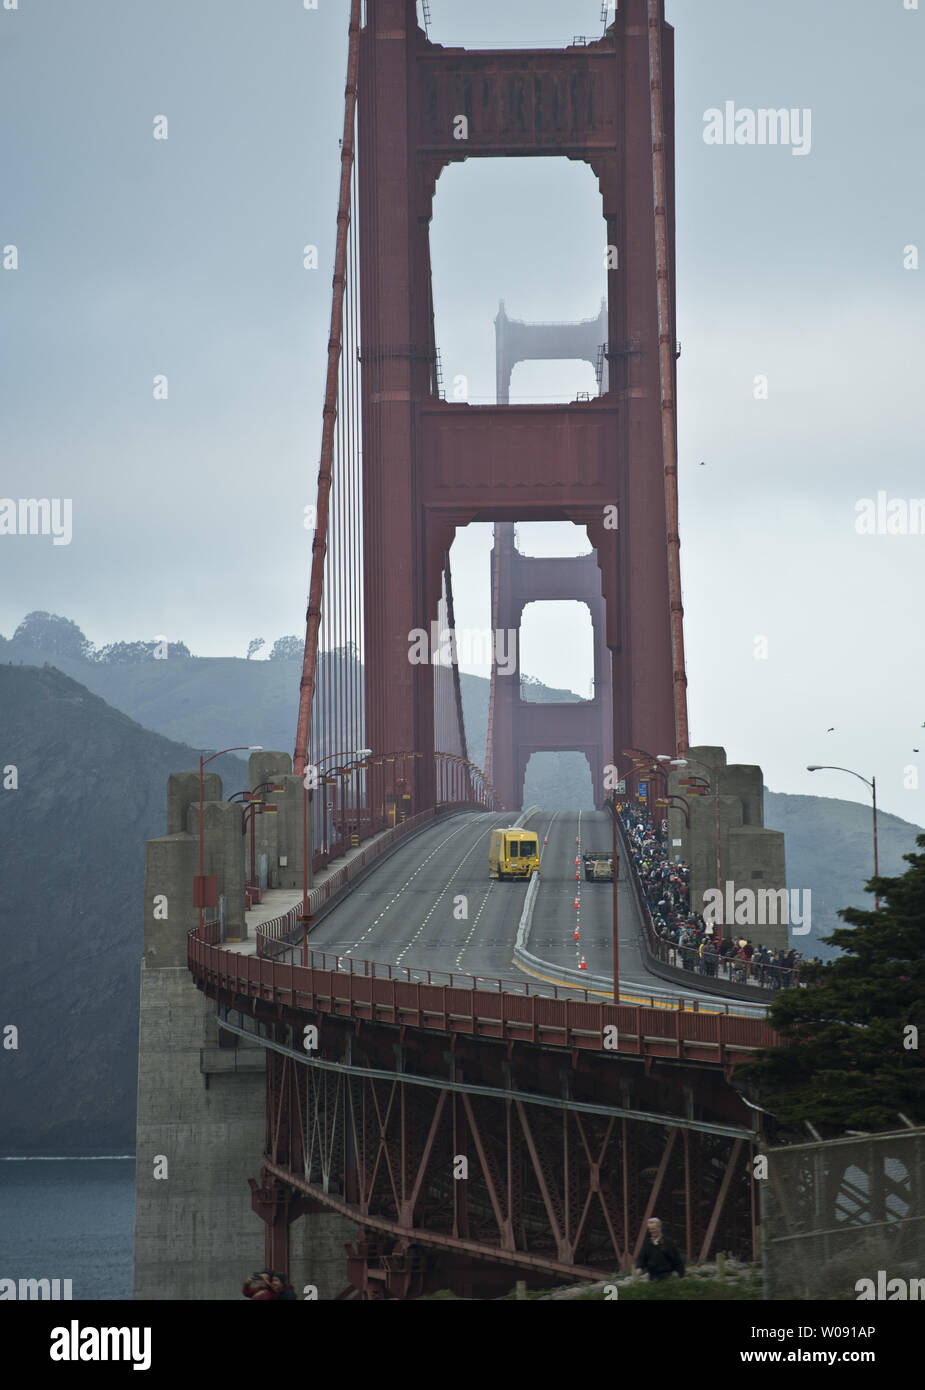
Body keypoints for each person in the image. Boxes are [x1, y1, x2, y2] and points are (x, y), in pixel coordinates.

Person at [636, 1218, 685, 1282]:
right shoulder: (647, 1244)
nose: (651, 1231)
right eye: (650, 1229)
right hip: (653, 1277)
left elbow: (677, 1259)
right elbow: (641, 1258)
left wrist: (680, 1274)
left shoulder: (668, 1242)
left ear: (659, 1228)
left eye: (653, 1229)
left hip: (668, 1276)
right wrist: (639, 1268)